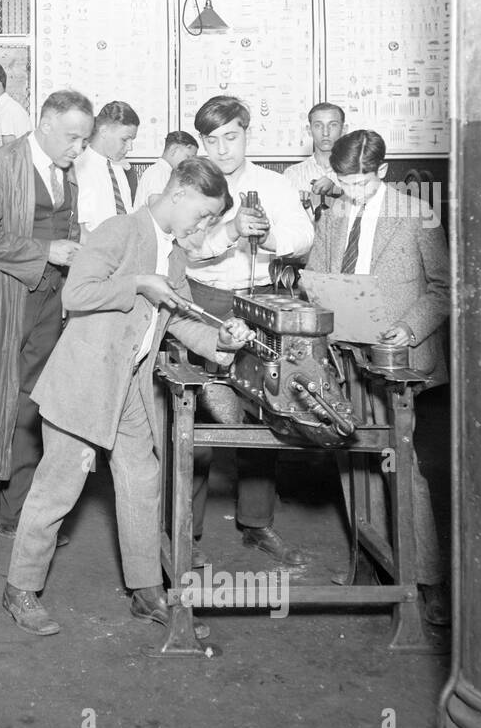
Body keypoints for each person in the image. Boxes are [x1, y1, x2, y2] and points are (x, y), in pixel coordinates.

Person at [3, 158, 255, 635]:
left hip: (129, 388)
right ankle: (20, 588)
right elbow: (76, 294)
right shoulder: (119, 231)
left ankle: (145, 593)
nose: (203, 227)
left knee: (142, 483)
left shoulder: (175, 254)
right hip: (84, 386)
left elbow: (177, 317)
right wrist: (138, 281)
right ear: (178, 193)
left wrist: (221, 342)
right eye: (202, 215)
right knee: (58, 489)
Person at [303, 128, 450, 626]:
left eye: (363, 182)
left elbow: (443, 288)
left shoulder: (418, 215)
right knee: (351, 456)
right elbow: (319, 278)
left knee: (400, 464)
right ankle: (368, 560)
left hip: (396, 359)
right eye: (345, 183)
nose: (354, 193)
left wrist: (408, 328)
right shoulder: (331, 213)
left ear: (382, 172)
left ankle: (427, 582)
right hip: (345, 353)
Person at [0, 89, 92, 571]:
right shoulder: (0, 164)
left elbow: (63, 227)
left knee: (32, 404)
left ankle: (14, 514)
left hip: (48, 303)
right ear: (46, 124)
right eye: (73, 137)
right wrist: (45, 252)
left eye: (84, 140)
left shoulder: (64, 171)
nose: (79, 148)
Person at [182, 95, 314, 567]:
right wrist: (231, 231)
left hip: (261, 301)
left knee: (265, 410)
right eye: (212, 140)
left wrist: (269, 237)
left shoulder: (272, 184)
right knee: (194, 413)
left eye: (231, 137)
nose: (222, 149)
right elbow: (189, 248)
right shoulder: (191, 182)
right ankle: (184, 531)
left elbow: (304, 238)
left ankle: (257, 524)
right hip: (203, 302)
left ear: (246, 132)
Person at [73, 100, 139, 239]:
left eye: (132, 140)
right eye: (125, 139)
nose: (130, 147)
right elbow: (81, 233)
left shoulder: (118, 168)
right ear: (104, 131)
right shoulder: (79, 171)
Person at [284, 102, 345, 221]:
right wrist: (296, 205)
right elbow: (281, 220)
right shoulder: (292, 175)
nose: (325, 132)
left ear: (344, 129)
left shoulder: (357, 173)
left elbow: (368, 212)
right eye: (318, 125)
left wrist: (337, 191)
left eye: (333, 125)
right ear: (309, 130)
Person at [134, 130, 199, 206]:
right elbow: (158, 210)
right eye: (188, 157)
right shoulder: (157, 173)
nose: (189, 163)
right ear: (173, 150)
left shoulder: (166, 173)